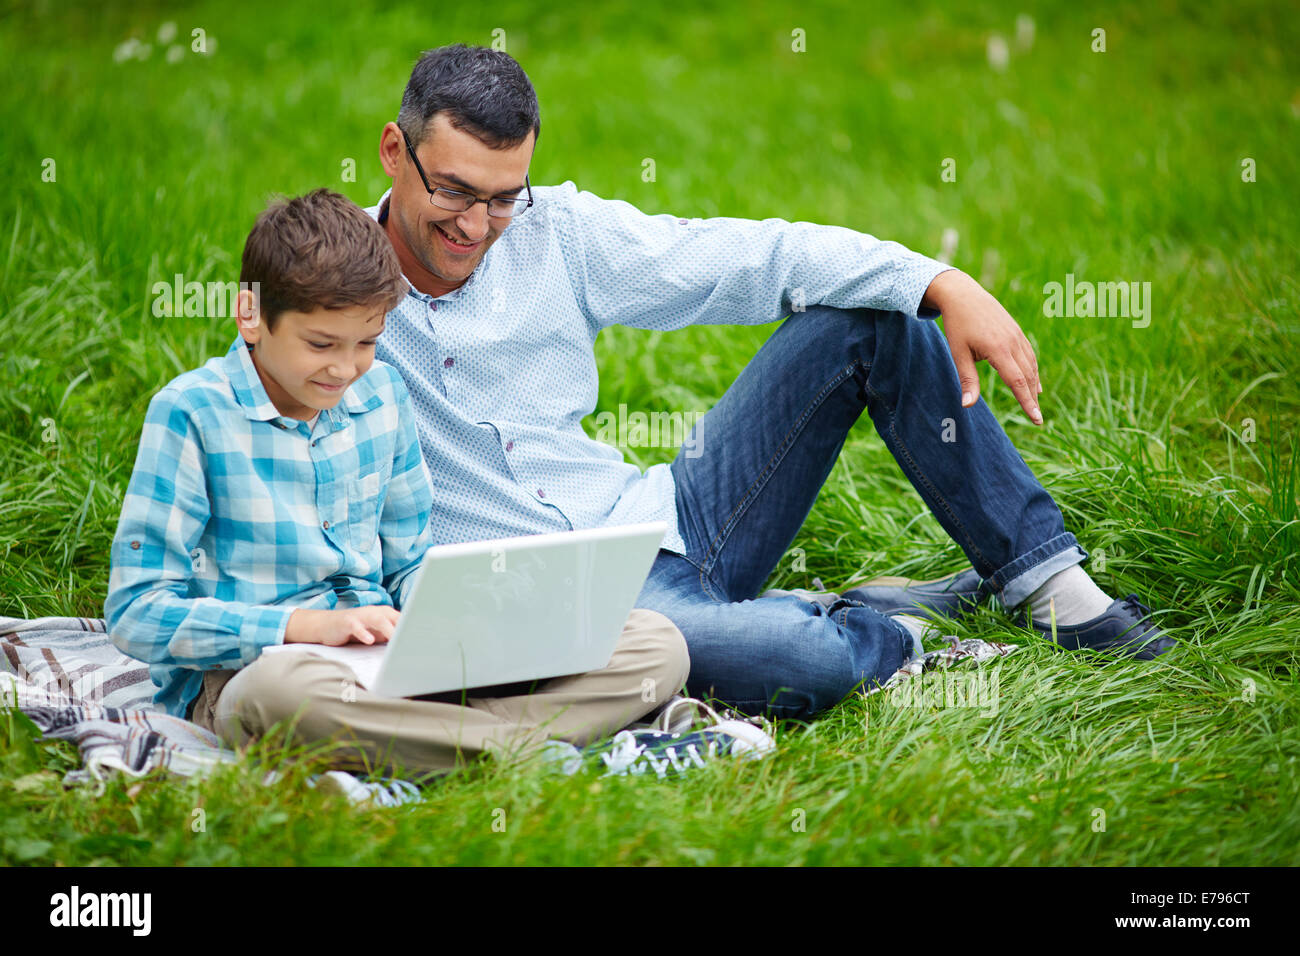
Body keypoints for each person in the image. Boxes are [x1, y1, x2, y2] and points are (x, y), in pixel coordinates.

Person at [367, 45, 1176, 723]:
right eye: (455, 192)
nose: (477, 226)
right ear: (395, 152)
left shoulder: (557, 232)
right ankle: (876, 620)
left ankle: (1048, 586)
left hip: (664, 519)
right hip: (557, 612)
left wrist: (938, 280)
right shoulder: (331, 294)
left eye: (503, 198)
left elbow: (752, 256)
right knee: (798, 660)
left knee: (874, 316)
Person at [104, 188, 695, 782]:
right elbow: (137, 612)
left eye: (366, 342)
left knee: (655, 642)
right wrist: (299, 629)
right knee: (279, 696)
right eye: (321, 344)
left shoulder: (382, 394)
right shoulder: (191, 414)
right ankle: (527, 743)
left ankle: (466, 743)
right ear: (251, 315)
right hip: (261, 672)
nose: (344, 369)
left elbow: (407, 565)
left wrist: (472, 616)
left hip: (390, 665)